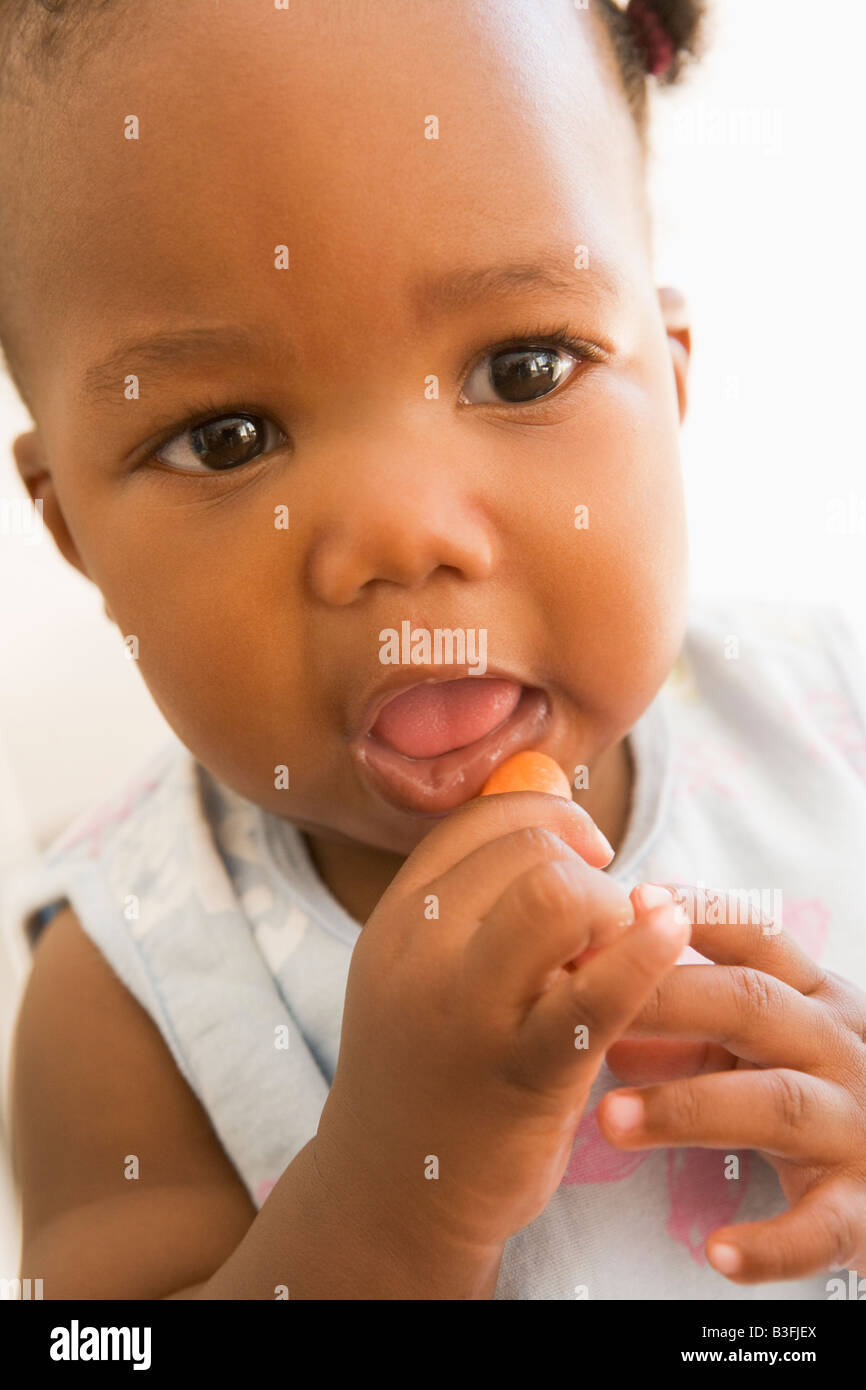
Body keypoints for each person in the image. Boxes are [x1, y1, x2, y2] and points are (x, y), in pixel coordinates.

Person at [4, 0, 866, 1300]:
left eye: (522, 367)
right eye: (227, 438)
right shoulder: (134, 987)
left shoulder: (834, 721)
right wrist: (390, 1197)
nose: (400, 537)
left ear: (671, 383)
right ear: (73, 526)